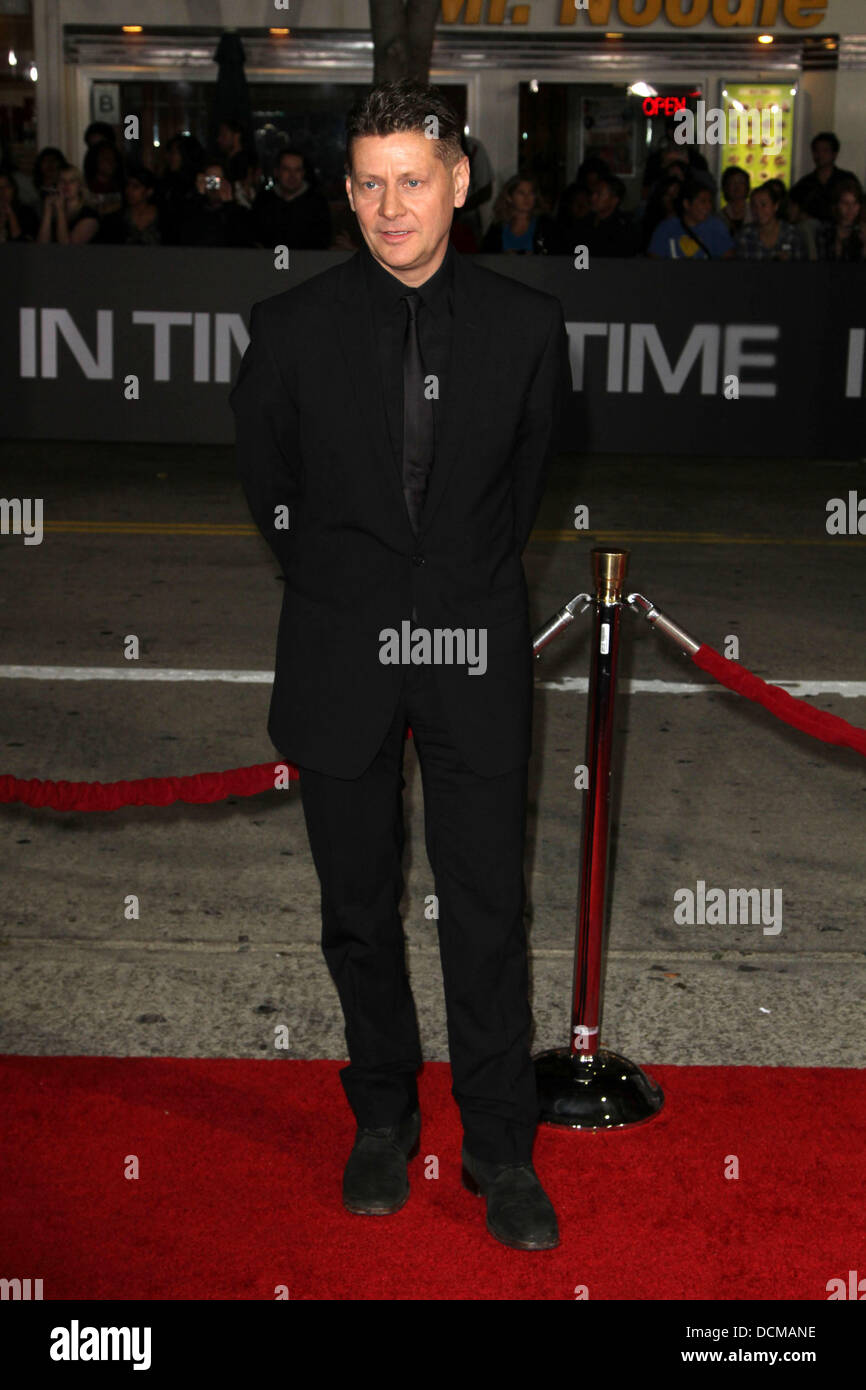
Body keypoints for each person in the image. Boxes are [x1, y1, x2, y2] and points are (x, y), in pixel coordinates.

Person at [229, 78, 572, 1252]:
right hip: (340, 649)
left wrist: (447, 594)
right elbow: (272, 494)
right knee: (357, 910)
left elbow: (518, 494)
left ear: (458, 183)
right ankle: (380, 1116)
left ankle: (497, 1145)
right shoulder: (288, 330)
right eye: (369, 183)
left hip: (472, 648)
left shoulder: (528, 329)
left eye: (412, 181)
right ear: (349, 190)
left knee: (484, 907)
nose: (390, 206)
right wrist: (353, 591)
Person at [251, 147, 331, 250]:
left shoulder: (317, 203)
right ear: (277, 172)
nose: (292, 175)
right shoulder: (263, 200)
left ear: (303, 173)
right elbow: (255, 237)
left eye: (297, 170)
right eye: (286, 169)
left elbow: (323, 241)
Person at [647, 179, 733, 259]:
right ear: (687, 204)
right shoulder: (667, 228)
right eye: (703, 201)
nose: (708, 207)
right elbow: (654, 262)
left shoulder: (717, 228)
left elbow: (728, 262)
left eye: (710, 201)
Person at [177, 159, 255, 247]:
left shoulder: (239, 213)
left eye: (219, 180)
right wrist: (198, 196)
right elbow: (186, 236)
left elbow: (241, 241)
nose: (214, 186)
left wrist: (228, 204)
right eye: (210, 180)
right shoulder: (191, 210)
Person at [480, 172, 561, 254]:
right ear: (509, 197)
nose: (527, 198)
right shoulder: (498, 227)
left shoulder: (545, 225)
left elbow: (556, 256)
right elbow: (485, 255)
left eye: (531, 193)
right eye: (521, 193)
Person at [790, 131, 857, 224]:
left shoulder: (846, 179)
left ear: (834, 154)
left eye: (825, 151)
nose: (820, 155)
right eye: (816, 151)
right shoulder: (805, 184)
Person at [566, 174, 639, 258]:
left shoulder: (623, 229)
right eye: (593, 193)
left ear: (614, 200)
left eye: (599, 194)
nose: (593, 197)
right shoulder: (585, 221)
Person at [734, 181, 805, 261]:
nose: (758, 210)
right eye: (754, 206)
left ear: (775, 206)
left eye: (763, 205)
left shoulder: (792, 235)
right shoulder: (744, 236)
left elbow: (801, 270)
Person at [36, 164, 99, 244]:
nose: (66, 184)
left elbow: (67, 249)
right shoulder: (53, 212)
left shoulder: (89, 214)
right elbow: (40, 246)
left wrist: (60, 210)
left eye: (72, 181)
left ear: (80, 186)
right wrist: (48, 210)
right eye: (62, 180)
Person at [816, 176, 866, 263]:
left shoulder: (863, 230)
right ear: (837, 205)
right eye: (845, 203)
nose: (851, 208)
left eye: (855, 203)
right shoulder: (825, 230)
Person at [121, 165, 162, 245]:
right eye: (128, 185)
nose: (129, 191)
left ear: (149, 191)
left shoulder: (163, 218)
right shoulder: (120, 217)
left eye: (135, 187)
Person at [0, 170, 38, 242]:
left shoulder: (26, 212)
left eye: (7, 186)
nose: (2, 191)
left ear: (14, 189)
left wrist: (11, 214)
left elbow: (23, 243)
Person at [719, 165, 751, 238]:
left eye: (741, 182)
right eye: (732, 182)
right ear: (725, 187)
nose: (737, 186)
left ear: (747, 186)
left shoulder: (756, 213)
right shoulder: (719, 217)